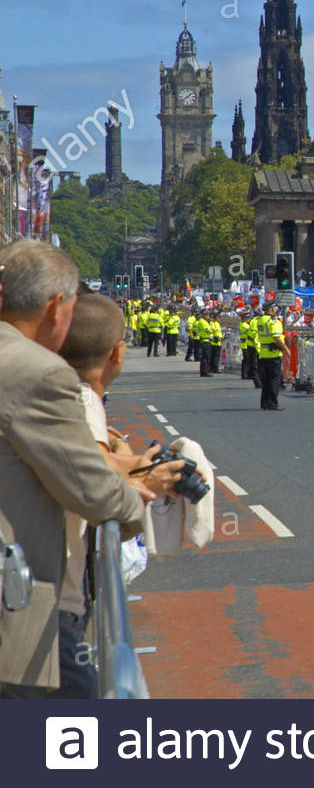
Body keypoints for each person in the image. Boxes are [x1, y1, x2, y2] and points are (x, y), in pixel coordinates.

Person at [0, 241, 181, 695]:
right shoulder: (37, 371)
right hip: (25, 603)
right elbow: (91, 490)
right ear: (56, 306)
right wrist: (142, 495)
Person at [255, 303, 289, 410]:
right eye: (275, 309)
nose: (276, 310)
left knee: (265, 380)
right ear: (271, 310)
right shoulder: (273, 321)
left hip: (263, 353)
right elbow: (276, 337)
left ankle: (264, 403)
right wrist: (286, 349)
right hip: (273, 354)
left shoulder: (260, 320)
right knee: (274, 380)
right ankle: (273, 403)